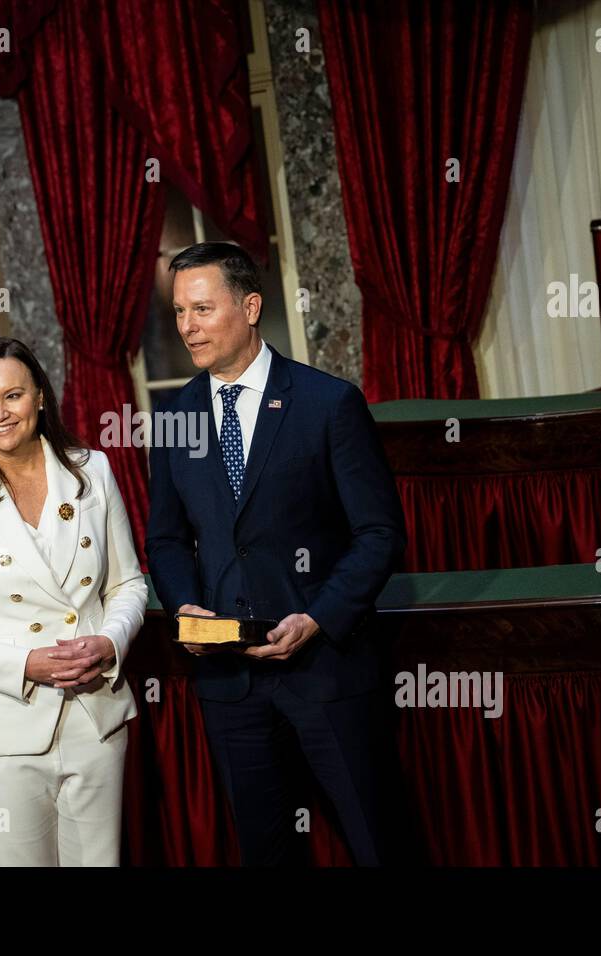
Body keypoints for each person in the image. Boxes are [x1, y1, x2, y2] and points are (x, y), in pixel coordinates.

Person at [146, 241, 407, 866]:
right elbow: (165, 538)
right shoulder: (173, 417)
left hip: (327, 674)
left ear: (251, 305)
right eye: (180, 312)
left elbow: (381, 533)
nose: (187, 326)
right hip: (229, 684)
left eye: (202, 309)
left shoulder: (328, 403)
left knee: (378, 844)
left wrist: (318, 616)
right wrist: (185, 605)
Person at [0, 336, 147, 866]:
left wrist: (109, 641)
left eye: (12, 395)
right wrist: (27, 664)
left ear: (39, 396)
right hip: (1, 731)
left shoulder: (92, 471)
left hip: (94, 719)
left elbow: (128, 584)